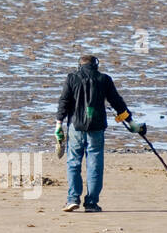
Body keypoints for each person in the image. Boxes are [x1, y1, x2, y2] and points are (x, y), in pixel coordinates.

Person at [56, 54, 131, 212]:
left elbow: (64, 101)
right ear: (96, 65)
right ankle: (91, 203)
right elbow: (116, 101)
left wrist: (58, 125)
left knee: (73, 163)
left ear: (79, 65)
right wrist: (130, 121)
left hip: (75, 127)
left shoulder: (71, 78)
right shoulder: (104, 79)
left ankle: (72, 199)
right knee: (95, 165)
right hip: (96, 128)